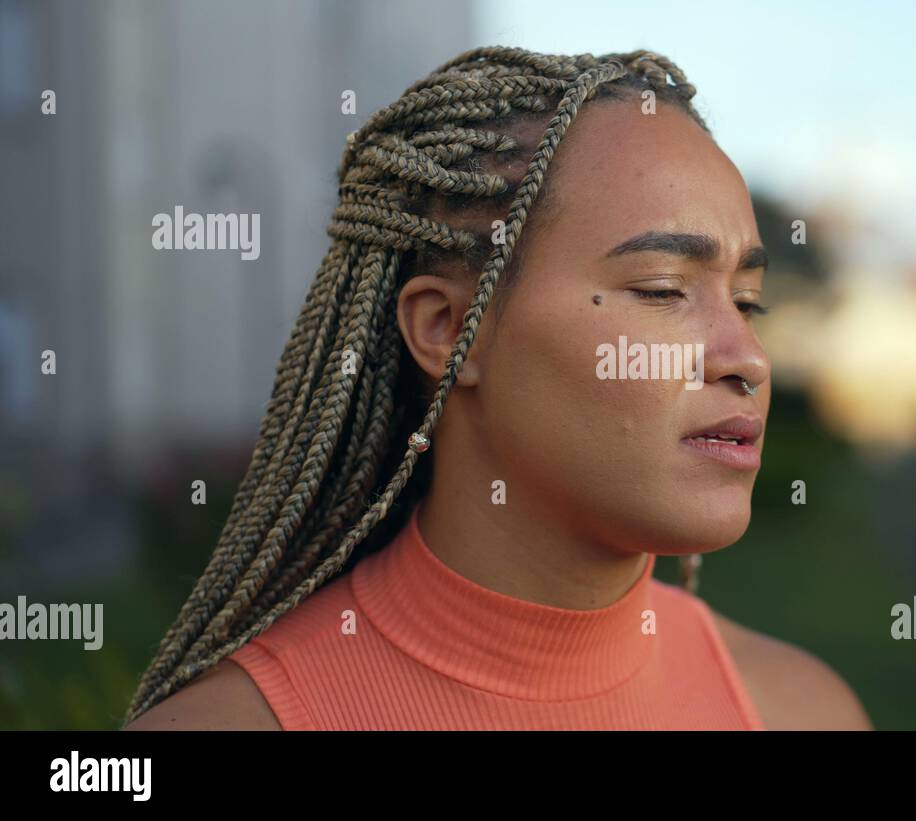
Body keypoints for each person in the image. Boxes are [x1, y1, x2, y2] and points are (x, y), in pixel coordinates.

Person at [122, 46, 871, 730]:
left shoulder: (800, 709)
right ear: (448, 328)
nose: (748, 357)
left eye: (748, 301)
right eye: (662, 289)